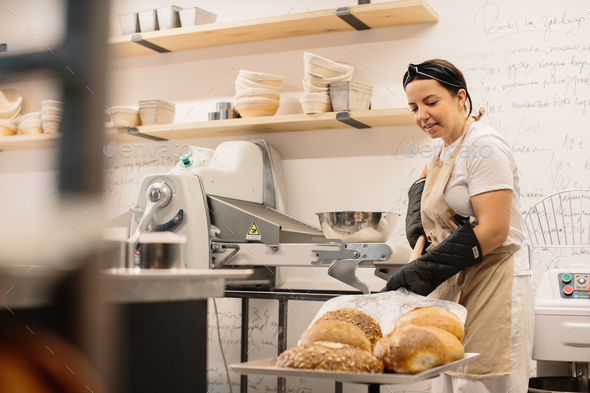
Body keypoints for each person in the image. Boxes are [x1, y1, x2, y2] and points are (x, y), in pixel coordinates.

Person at [385, 60, 534, 393]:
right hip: (457, 282)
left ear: (460, 97)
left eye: (431, 102)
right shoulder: (442, 147)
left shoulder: (485, 147)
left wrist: (425, 270)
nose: (421, 115)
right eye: (413, 107)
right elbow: (426, 183)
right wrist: (416, 216)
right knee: (450, 383)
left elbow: (494, 230)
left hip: (492, 280)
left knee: (482, 381)